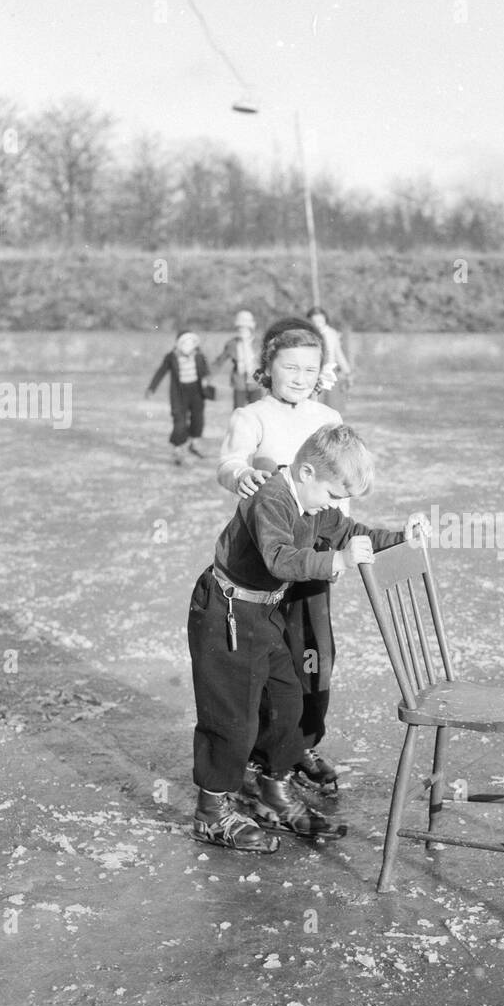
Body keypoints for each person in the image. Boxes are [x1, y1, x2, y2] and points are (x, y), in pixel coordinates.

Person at [188, 424, 430, 851]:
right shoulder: (272, 499)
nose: (336, 505)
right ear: (305, 474)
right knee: (232, 717)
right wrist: (334, 560)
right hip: (227, 612)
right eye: (334, 494)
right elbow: (279, 557)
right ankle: (210, 813)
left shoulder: (316, 505)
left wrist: (400, 539)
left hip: (263, 612)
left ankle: (272, 791)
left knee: (287, 700)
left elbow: (353, 532)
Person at [218, 318, 345, 798]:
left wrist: (341, 540)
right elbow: (230, 461)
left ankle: (303, 743)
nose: (299, 376)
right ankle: (271, 752)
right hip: (269, 558)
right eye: (289, 366)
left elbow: (342, 479)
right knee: (272, 661)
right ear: (267, 368)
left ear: (321, 372)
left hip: (314, 555)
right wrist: (240, 475)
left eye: (309, 368)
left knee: (314, 654)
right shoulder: (252, 416)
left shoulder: (327, 418)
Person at [145, 330, 212, 465]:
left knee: (198, 419)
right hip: (179, 393)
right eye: (185, 342)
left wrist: (206, 380)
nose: (188, 345)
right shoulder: (171, 357)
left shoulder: (199, 355)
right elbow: (161, 372)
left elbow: (206, 371)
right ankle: (178, 449)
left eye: (191, 342)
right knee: (179, 421)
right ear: (179, 344)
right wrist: (152, 388)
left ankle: (194, 443)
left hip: (196, 391)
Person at [214, 310, 264, 408]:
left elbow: (268, 360)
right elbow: (219, 361)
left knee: (256, 411)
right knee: (238, 411)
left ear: (250, 328)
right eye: (240, 328)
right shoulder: (232, 344)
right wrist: (206, 374)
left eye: (245, 328)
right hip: (239, 382)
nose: (242, 330)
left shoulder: (259, 343)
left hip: (255, 382)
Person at [308, 306, 353, 412]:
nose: (317, 323)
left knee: (331, 407)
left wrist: (348, 372)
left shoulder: (332, 333)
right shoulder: (307, 334)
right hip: (312, 373)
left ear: (325, 319)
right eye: (314, 320)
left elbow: (338, 354)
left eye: (320, 319)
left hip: (329, 374)